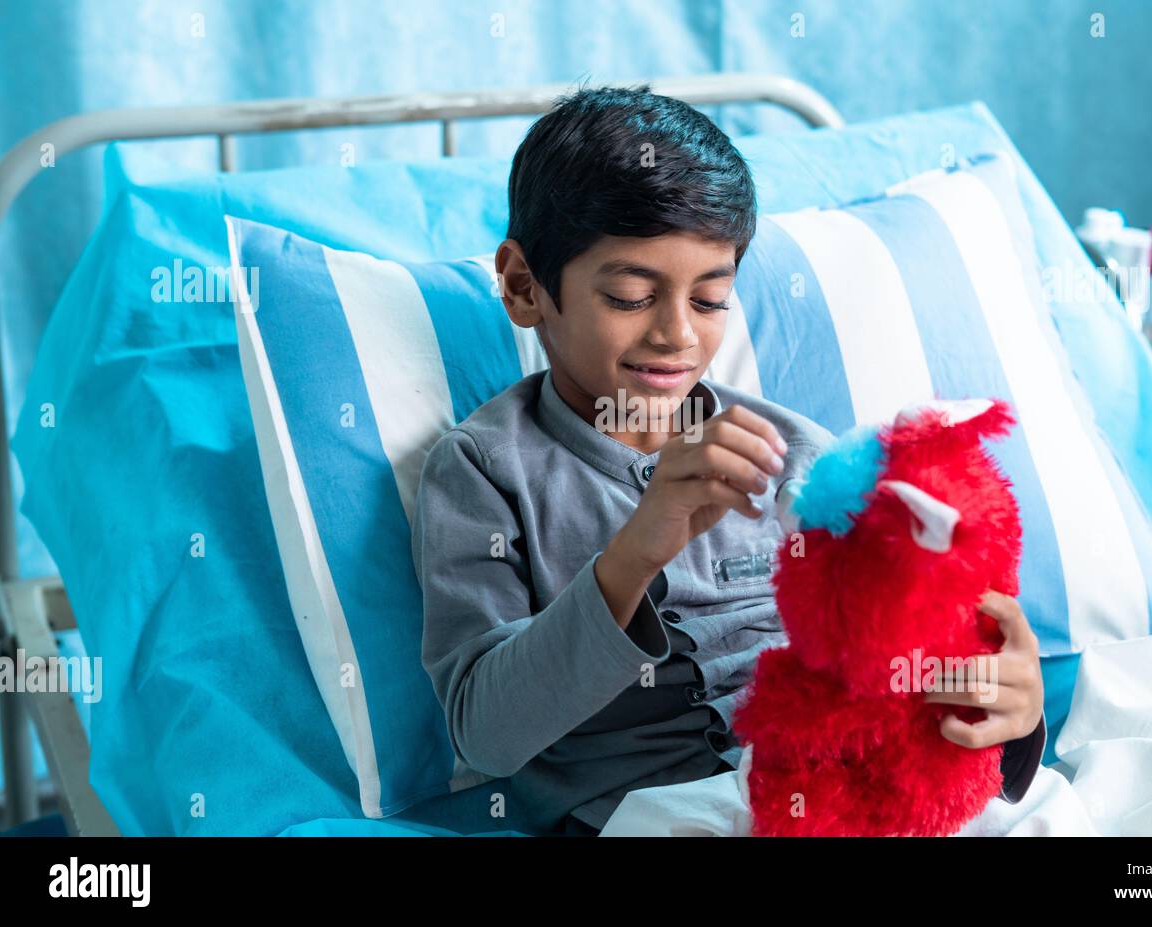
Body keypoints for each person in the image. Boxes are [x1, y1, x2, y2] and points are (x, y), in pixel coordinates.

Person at [412, 85, 1045, 837]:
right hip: (655, 814)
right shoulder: (484, 471)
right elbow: (486, 732)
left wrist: (1009, 708)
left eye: (709, 300)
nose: (675, 334)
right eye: (629, 296)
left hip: (840, 791)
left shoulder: (797, 453)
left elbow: (889, 653)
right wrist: (633, 555)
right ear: (523, 285)